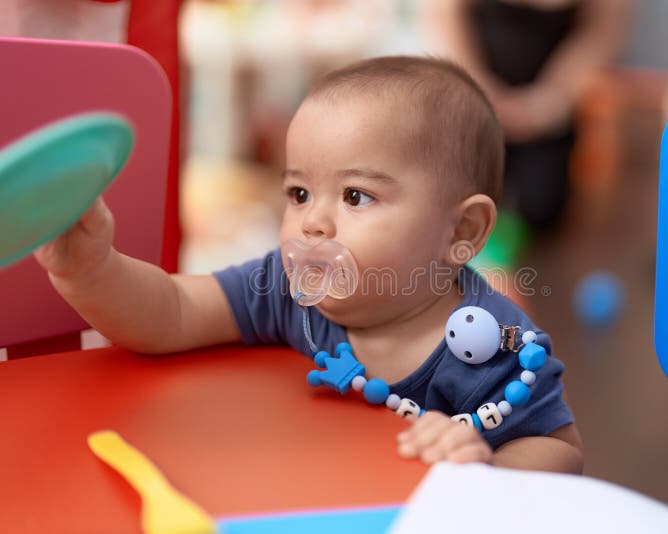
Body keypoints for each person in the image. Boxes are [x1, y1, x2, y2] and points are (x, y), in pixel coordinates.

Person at [34, 56, 582, 472]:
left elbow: (560, 449)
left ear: (461, 232)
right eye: (298, 193)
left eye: (355, 196)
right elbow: (172, 311)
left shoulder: (495, 347)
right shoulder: (283, 288)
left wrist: (488, 466)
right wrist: (91, 271)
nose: (312, 223)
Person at [425, 0, 630, 268]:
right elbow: (444, 19)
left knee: (542, 209)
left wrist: (546, 105)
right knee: (452, 195)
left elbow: (599, 36)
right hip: (473, 97)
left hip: (549, 109)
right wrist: (482, 95)